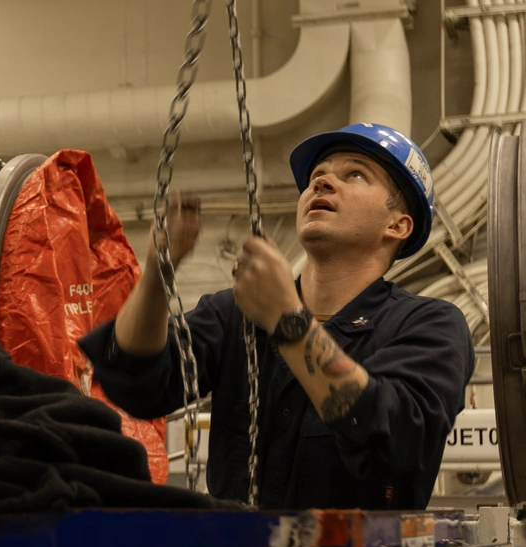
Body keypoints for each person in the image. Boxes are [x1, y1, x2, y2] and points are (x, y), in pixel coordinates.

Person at [79, 124, 474, 509]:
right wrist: (157, 274)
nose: (321, 183)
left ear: (397, 225)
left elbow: (390, 435)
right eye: (317, 176)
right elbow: (136, 380)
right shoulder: (236, 313)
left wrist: (288, 322)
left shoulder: (431, 325)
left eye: (355, 174)